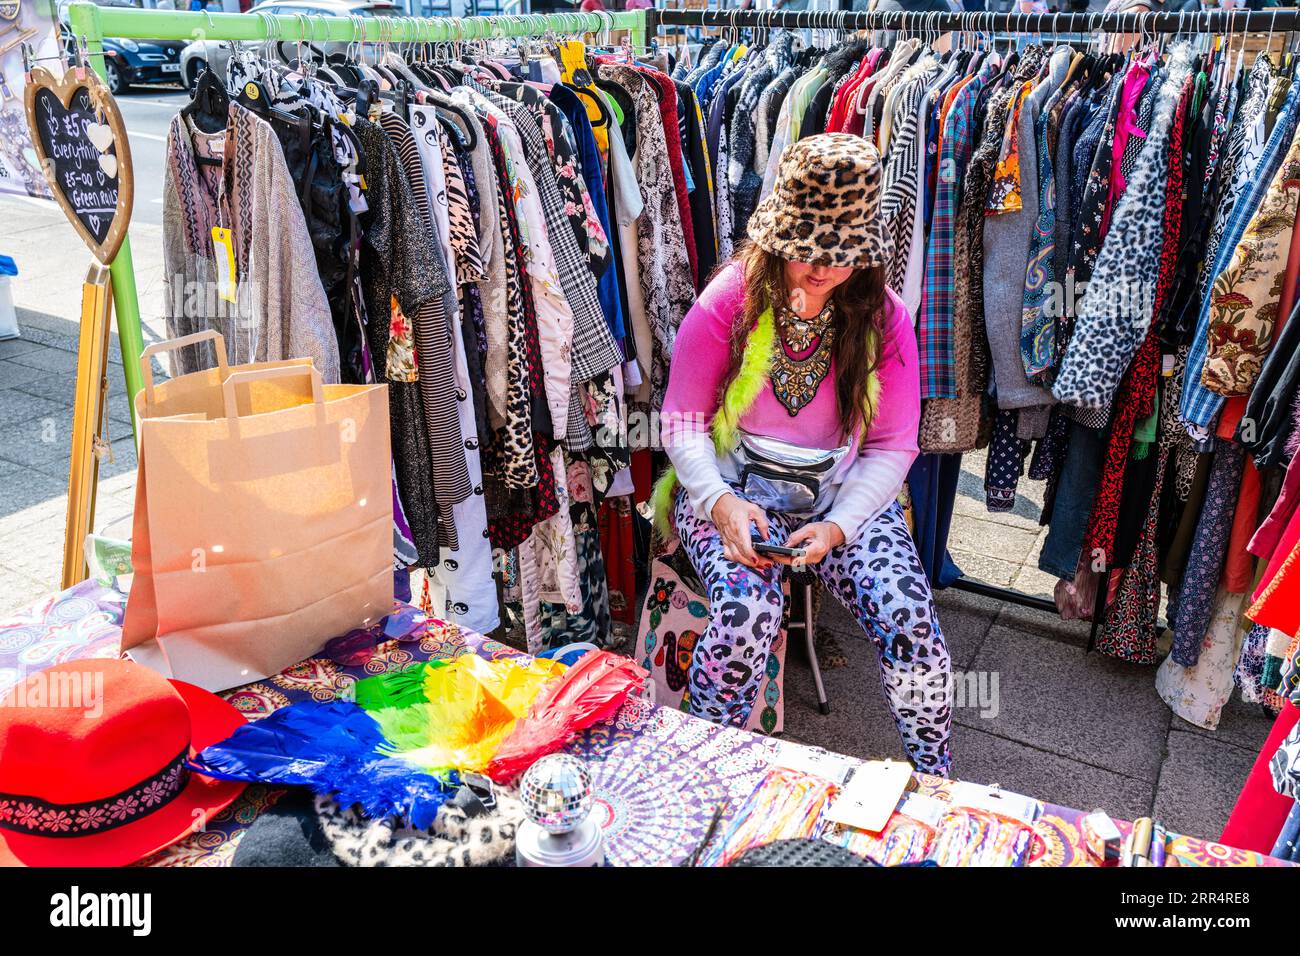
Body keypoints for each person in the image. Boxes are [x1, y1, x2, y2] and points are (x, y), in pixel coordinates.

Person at [657, 134, 953, 775]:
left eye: (839, 256)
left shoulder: (885, 319)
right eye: (805, 251)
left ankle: (934, 783)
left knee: (914, 627)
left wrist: (841, 524)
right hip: (729, 492)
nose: (820, 269)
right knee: (743, 616)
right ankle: (703, 773)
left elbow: (893, 443)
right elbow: (681, 421)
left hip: (840, 499)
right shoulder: (727, 302)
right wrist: (719, 502)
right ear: (775, 241)